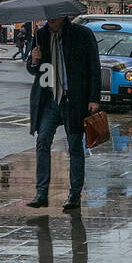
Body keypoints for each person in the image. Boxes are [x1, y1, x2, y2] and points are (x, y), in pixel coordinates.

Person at [25, 13, 101, 211]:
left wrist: (94, 98)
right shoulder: (40, 35)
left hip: (73, 99)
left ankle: (74, 195)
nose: (50, 19)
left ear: (64, 17)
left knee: (75, 147)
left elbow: (94, 66)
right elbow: (34, 70)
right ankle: (41, 193)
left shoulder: (81, 34)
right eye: (48, 15)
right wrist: (34, 60)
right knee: (42, 142)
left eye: (55, 16)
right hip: (49, 99)